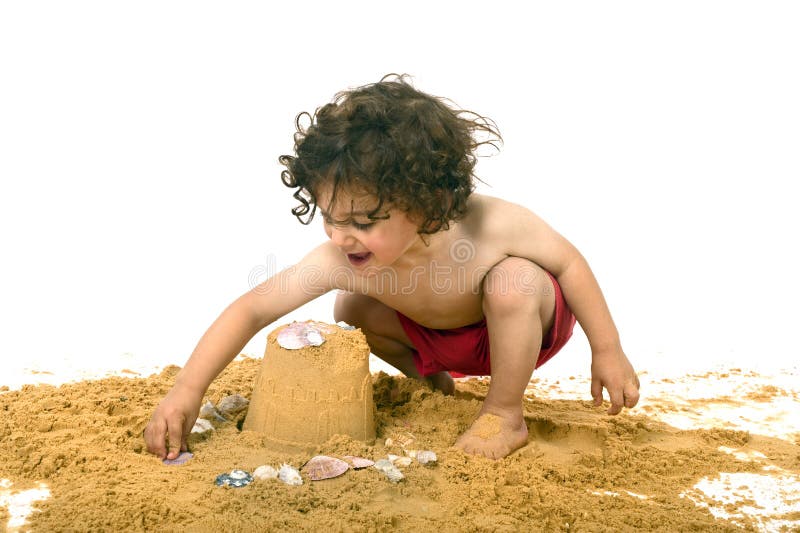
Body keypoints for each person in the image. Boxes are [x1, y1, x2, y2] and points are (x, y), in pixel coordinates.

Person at [143, 74, 640, 461]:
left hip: (522, 327)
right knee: (351, 306)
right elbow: (253, 308)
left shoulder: (490, 225)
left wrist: (607, 349)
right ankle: (432, 384)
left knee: (513, 281)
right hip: (438, 340)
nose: (340, 237)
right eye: (330, 217)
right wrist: (187, 390)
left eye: (362, 222)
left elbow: (569, 264)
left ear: (428, 204)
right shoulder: (344, 260)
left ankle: (504, 413)